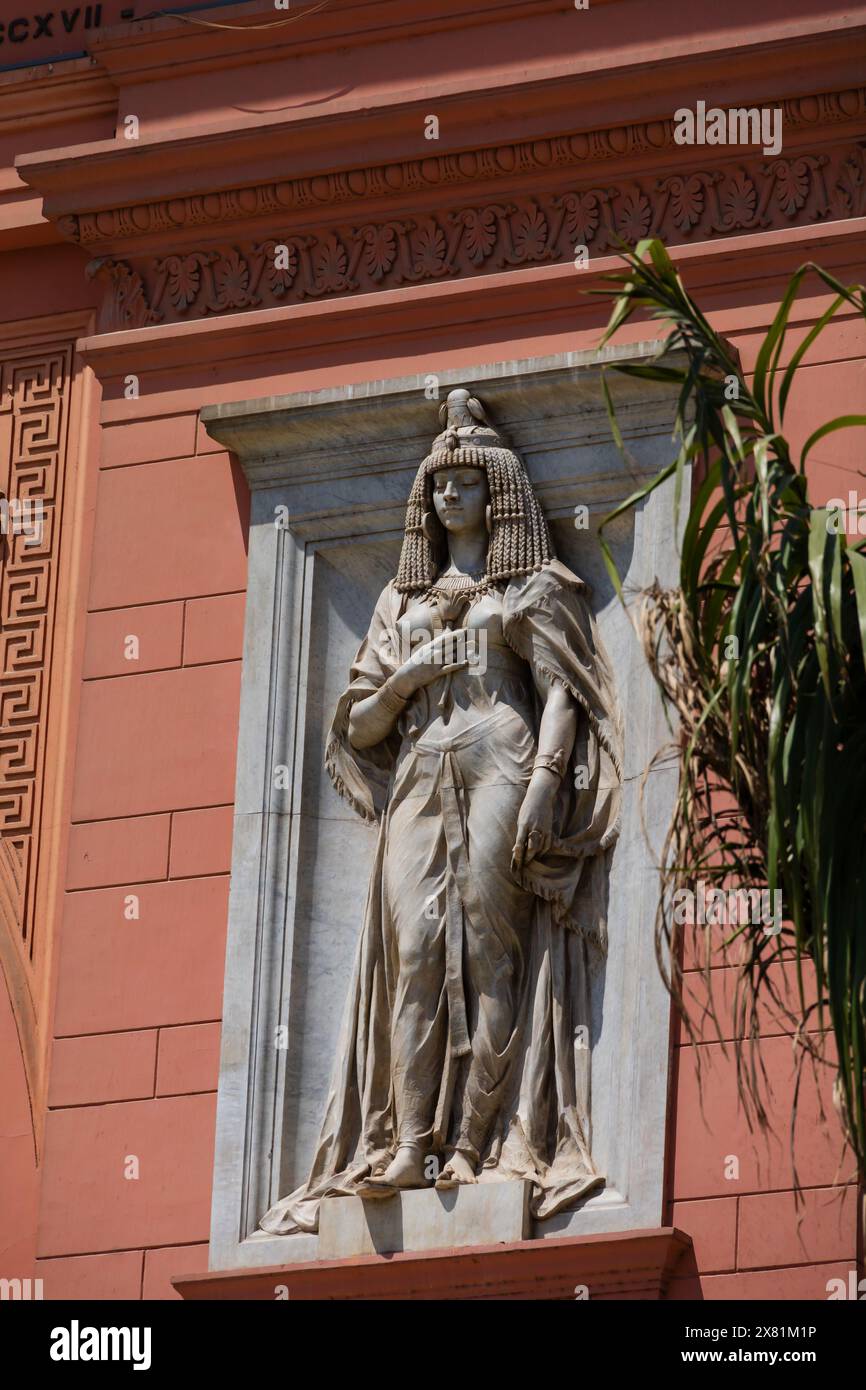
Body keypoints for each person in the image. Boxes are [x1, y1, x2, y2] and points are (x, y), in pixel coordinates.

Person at [260, 388, 622, 1235]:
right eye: (436, 485)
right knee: (414, 948)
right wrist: (413, 674)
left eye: (460, 481)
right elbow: (357, 724)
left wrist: (546, 780)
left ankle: (476, 1139)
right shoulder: (399, 603)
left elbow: (565, 688)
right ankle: (409, 1140)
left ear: (496, 492)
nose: (444, 496)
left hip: (501, 751)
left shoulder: (530, 584)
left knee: (492, 950)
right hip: (420, 766)